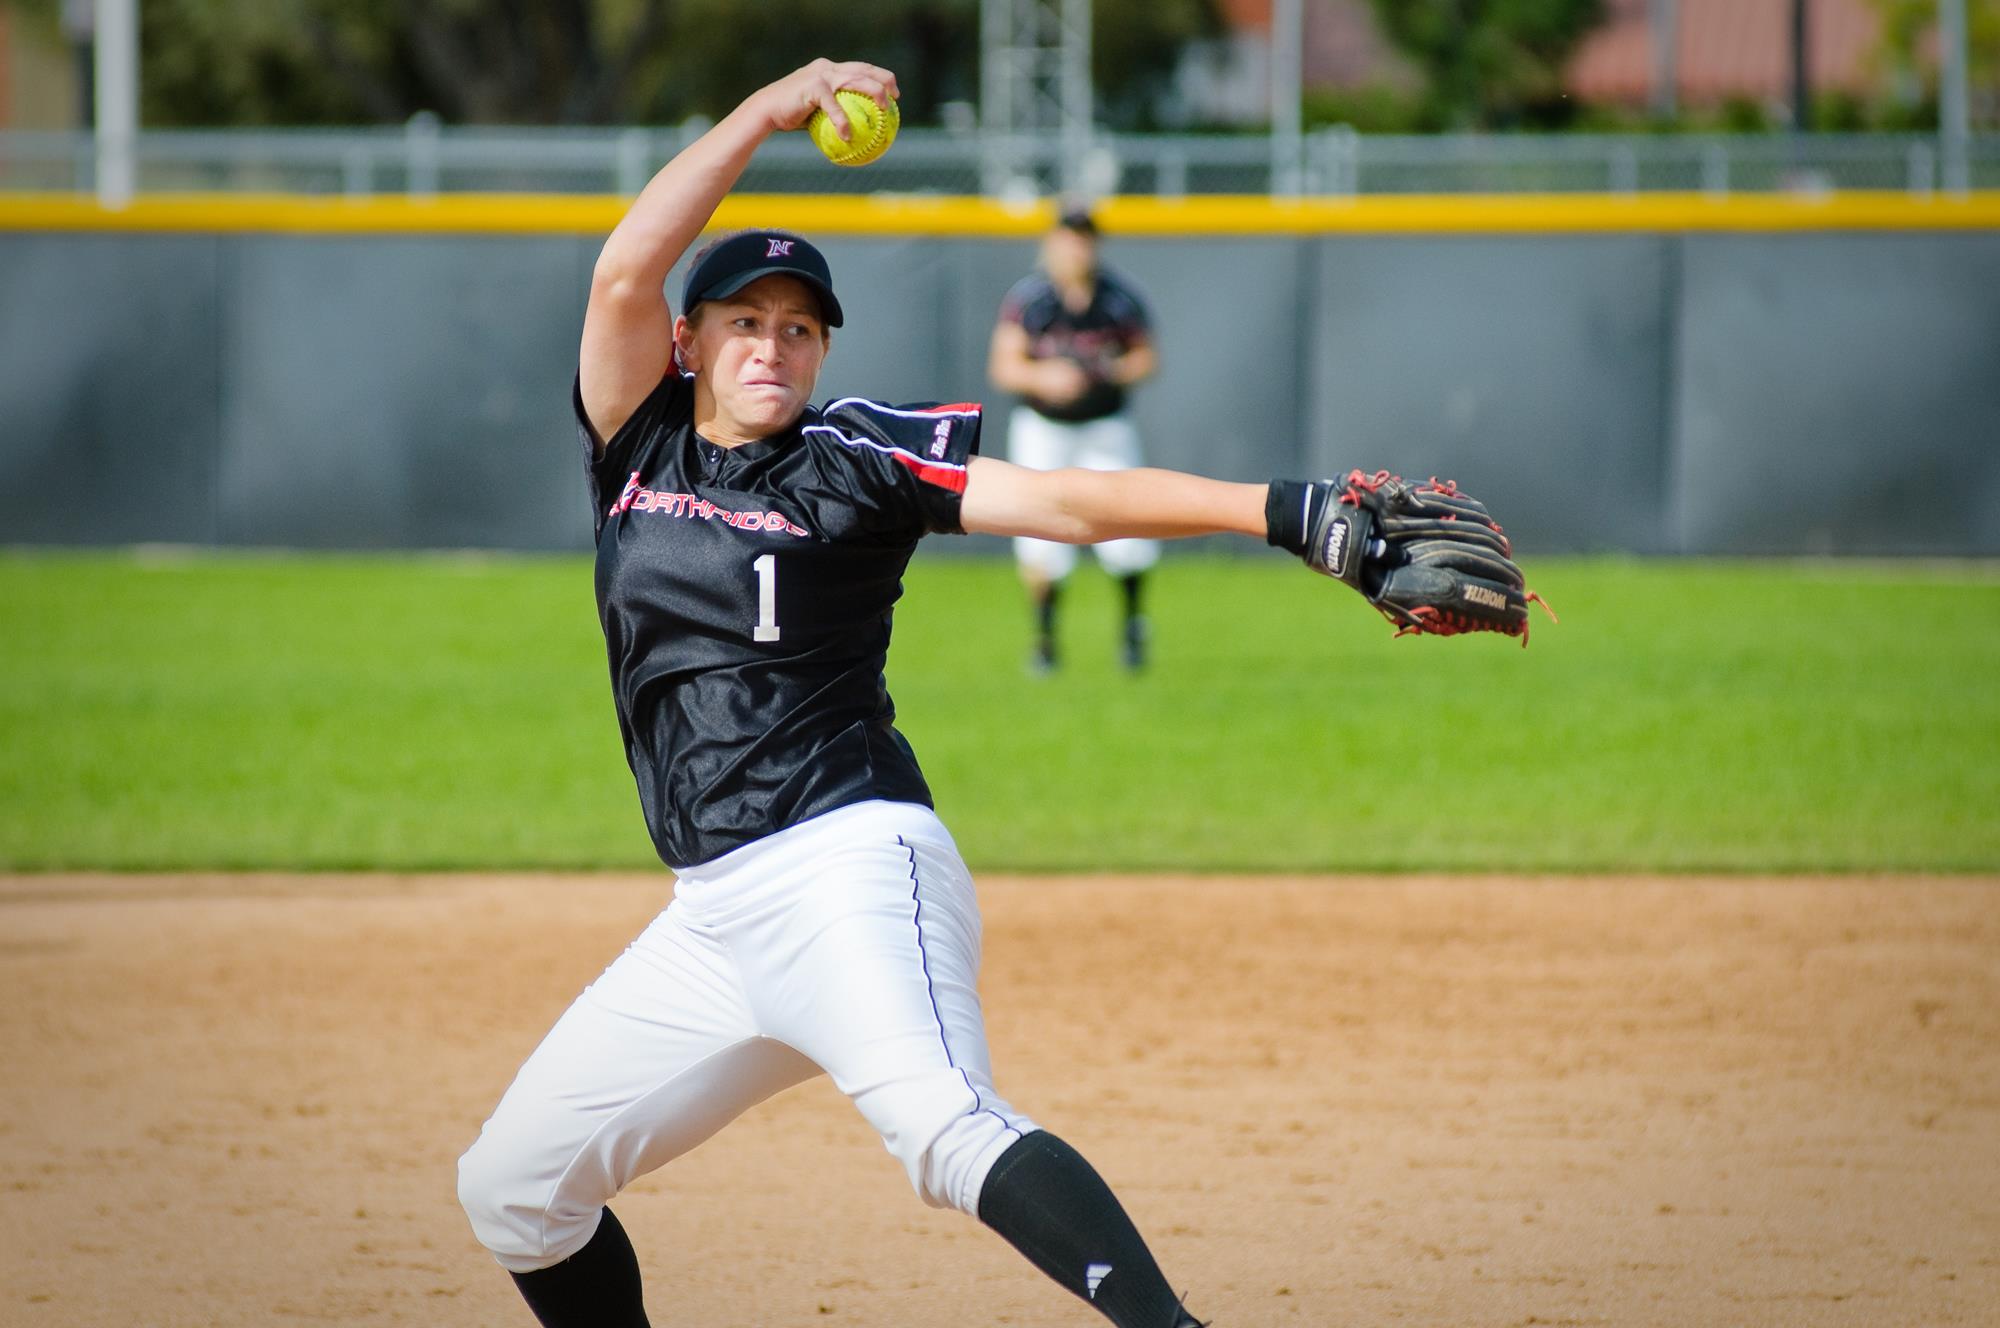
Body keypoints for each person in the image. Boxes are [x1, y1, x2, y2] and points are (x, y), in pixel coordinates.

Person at [455, 56, 1532, 1328]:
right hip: (711, 918)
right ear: (687, 343)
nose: (773, 343)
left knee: (944, 1129)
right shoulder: (638, 439)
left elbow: (1066, 499)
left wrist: (1280, 513)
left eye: (798, 325)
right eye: (744, 320)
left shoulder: (855, 457)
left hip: (846, 864)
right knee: (515, 1188)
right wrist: (762, 112)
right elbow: (623, 269)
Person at [988, 207, 1160, 673]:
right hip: (1044, 427)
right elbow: (1004, 366)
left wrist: (1108, 370)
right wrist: (1044, 377)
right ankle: (1044, 641)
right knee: (1041, 539)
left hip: (1104, 425)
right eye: (1067, 239)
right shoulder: (1030, 299)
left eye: (1083, 240)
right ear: (1051, 244)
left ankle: (1132, 628)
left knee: (1128, 531)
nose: (1075, 249)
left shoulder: (1118, 298)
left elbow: (1146, 359)